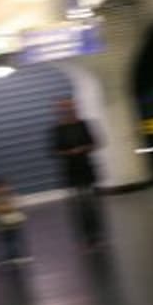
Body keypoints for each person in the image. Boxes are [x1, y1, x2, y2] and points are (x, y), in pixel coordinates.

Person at [51, 97, 103, 250]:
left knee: (90, 205)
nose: (67, 111)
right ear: (60, 111)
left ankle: (96, 235)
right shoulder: (57, 129)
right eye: (64, 108)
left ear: (74, 108)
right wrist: (69, 152)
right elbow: (53, 151)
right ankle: (86, 238)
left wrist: (83, 149)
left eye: (70, 107)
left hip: (86, 168)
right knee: (79, 206)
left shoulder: (83, 125)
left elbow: (95, 143)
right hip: (70, 171)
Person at [0, 178, 30, 265]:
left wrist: (4, 208)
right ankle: (8, 258)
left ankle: (20, 256)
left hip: (14, 225)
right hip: (2, 227)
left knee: (16, 240)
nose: (0, 190)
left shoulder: (11, 196)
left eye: (3, 187)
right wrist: (2, 209)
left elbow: (14, 206)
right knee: (5, 242)